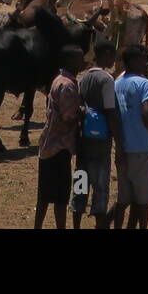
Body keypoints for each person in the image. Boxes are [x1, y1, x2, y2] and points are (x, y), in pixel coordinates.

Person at [69, 40, 122, 230]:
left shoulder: (84, 78)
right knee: (100, 187)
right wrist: (118, 138)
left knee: (80, 183)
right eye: (112, 55)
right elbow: (110, 110)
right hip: (101, 140)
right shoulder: (106, 79)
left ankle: (76, 223)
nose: (114, 59)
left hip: (84, 138)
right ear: (105, 54)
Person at [35, 45, 83, 229]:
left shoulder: (57, 80)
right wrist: (83, 114)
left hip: (48, 144)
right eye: (79, 58)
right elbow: (68, 117)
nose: (82, 61)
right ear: (70, 61)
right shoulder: (68, 85)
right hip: (60, 145)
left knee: (44, 195)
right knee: (61, 197)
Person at [112, 44, 148, 229]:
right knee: (143, 198)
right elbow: (146, 111)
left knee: (124, 197)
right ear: (132, 61)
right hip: (141, 145)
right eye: (143, 59)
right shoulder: (144, 83)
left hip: (122, 145)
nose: (147, 63)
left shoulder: (117, 83)